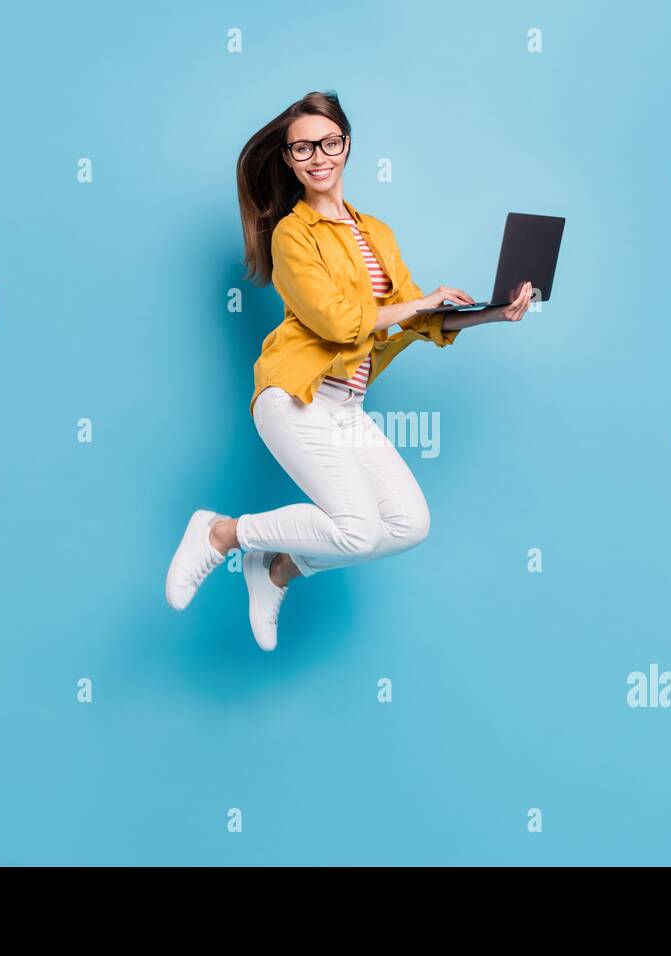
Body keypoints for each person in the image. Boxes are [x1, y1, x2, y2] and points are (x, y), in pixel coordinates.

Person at [167, 90, 533, 651]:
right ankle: (222, 533)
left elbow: (418, 318)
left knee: (408, 524)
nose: (318, 156)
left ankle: (275, 569)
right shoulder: (293, 234)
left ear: (348, 145)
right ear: (289, 160)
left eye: (329, 142)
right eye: (302, 148)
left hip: (345, 408)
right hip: (294, 397)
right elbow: (339, 324)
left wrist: (492, 312)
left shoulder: (377, 233)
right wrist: (417, 304)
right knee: (356, 528)